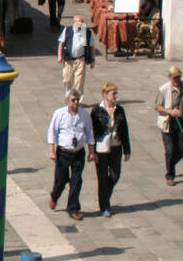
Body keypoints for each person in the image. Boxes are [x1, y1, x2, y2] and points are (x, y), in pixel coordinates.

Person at [47, 90, 95, 219]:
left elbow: (90, 133)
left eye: (77, 100)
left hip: (78, 153)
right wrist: (52, 151)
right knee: (61, 180)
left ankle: (73, 208)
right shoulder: (59, 114)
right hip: (63, 152)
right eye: (73, 100)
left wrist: (91, 152)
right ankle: (54, 195)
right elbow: (52, 132)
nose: (76, 102)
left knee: (76, 181)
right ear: (67, 101)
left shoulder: (84, 114)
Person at [90, 82, 131, 217]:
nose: (115, 96)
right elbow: (92, 132)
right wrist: (92, 151)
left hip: (116, 146)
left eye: (116, 93)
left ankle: (104, 196)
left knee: (115, 174)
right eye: (113, 93)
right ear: (105, 95)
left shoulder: (120, 110)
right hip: (101, 148)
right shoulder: (97, 110)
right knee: (102, 177)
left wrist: (127, 149)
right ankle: (104, 206)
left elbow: (124, 130)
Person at [57, 14, 96, 99]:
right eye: (78, 23)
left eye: (82, 23)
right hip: (68, 59)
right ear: (74, 23)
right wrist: (59, 56)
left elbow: (92, 46)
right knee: (67, 80)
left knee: (79, 81)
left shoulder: (87, 33)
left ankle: (78, 100)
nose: (80, 26)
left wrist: (92, 60)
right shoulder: (67, 30)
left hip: (80, 59)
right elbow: (61, 43)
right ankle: (68, 97)